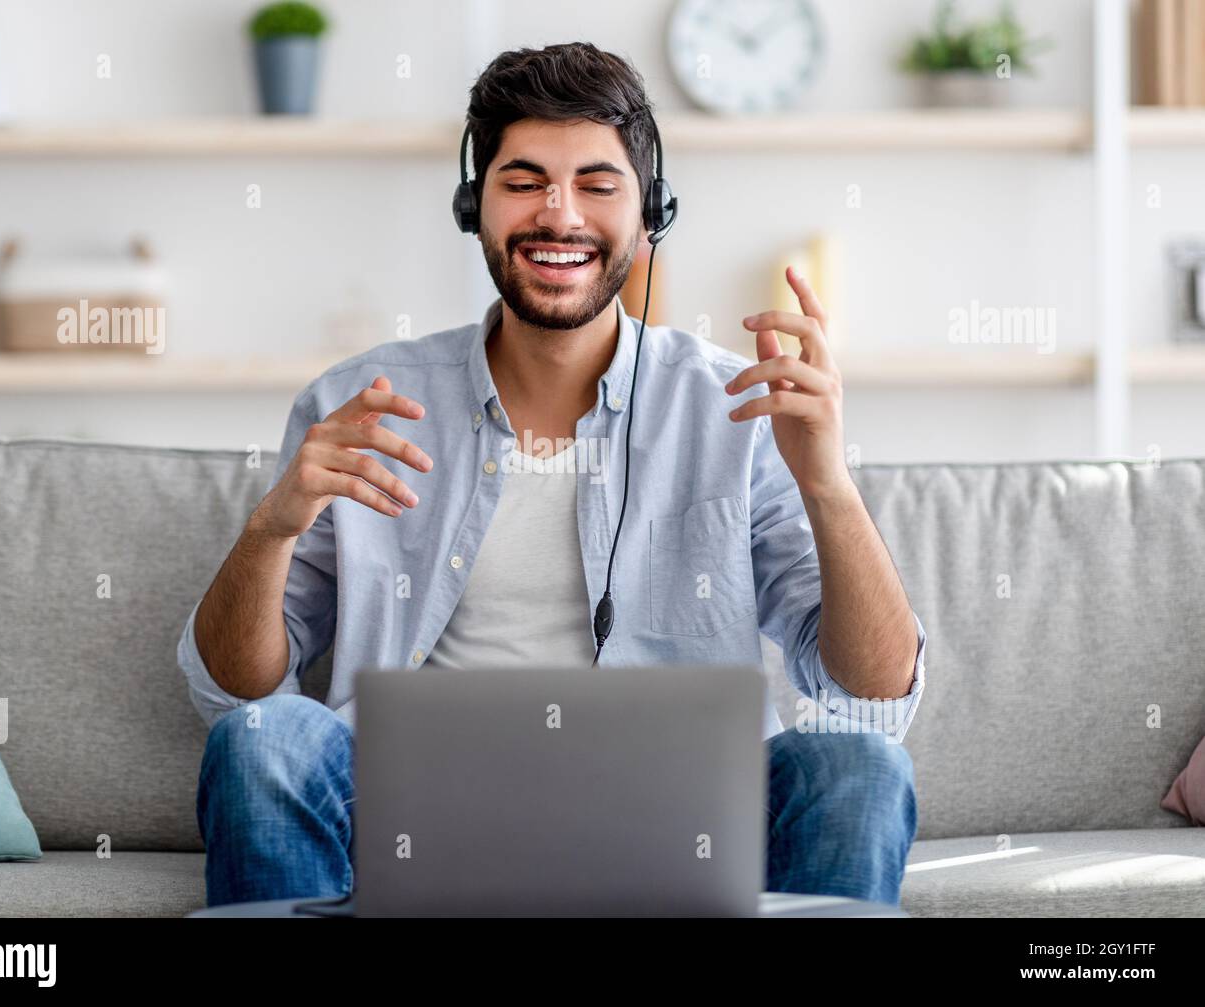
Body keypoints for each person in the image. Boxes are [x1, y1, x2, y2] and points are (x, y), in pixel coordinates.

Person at [180, 42, 925, 909]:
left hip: (682, 817)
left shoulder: (733, 409)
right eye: (523, 179)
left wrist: (828, 485)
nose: (558, 215)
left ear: (651, 214)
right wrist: (271, 527)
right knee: (261, 737)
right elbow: (233, 695)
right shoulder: (359, 402)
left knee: (858, 763)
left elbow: (872, 702)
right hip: (416, 817)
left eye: (598, 185)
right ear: (475, 203)